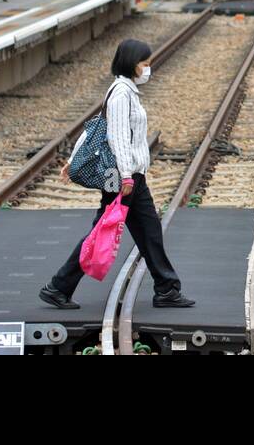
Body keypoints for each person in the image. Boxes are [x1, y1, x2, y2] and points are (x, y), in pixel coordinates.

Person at [40, 39, 195, 311]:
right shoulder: (122, 94)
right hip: (122, 176)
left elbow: (96, 128)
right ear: (132, 64)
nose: (148, 68)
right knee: (102, 231)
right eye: (145, 64)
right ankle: (58, 286)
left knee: (149, 231)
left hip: (130, 175)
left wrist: (75, 157)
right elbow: (118, 137)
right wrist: (125, 176)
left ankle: (167, 288)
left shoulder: (123, 90)